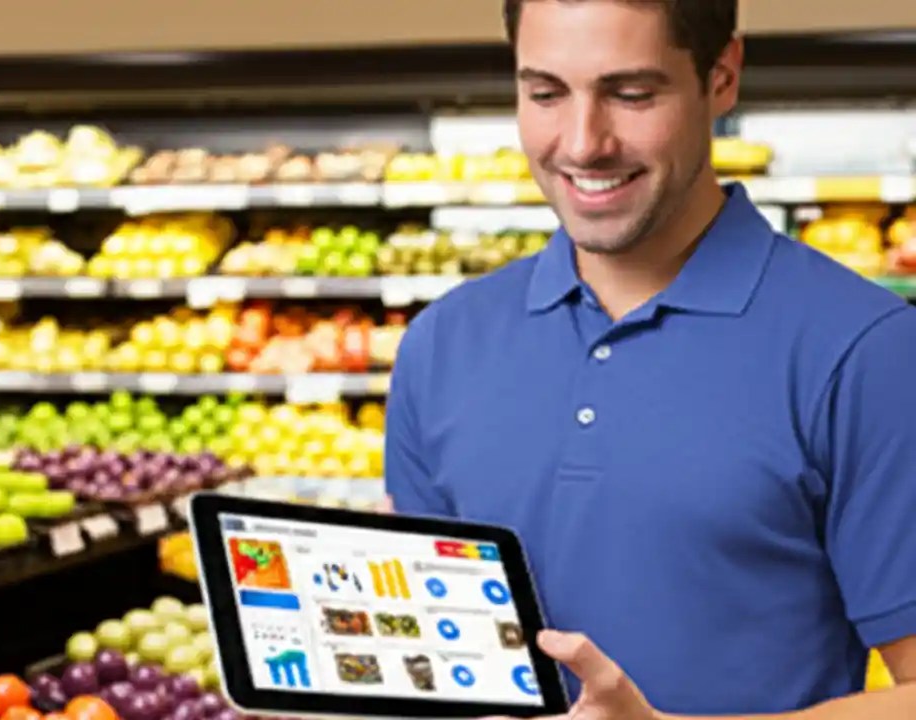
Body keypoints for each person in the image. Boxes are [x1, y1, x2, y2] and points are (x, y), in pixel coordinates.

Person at [383, 1, 916, 718]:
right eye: (545, 93)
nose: (582, 143)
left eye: (631, 94)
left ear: (721, 77)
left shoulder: (867, 350)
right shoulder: (440, 345)